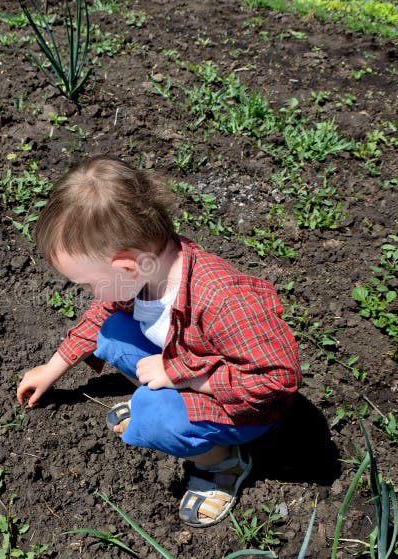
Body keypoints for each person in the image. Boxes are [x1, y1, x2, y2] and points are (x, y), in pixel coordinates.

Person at [16, 154, 300, 527]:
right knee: (111, 332)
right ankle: (168, 401)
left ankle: (223, 464)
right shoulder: (147, 272)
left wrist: (182, 374)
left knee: (154, 417)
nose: (87, 292)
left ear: (126, 267)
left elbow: (275, 381)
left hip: (246, 407)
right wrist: (54, 367)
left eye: (85, 284)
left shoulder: (222, 301)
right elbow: (102, 313)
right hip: (187, 365)